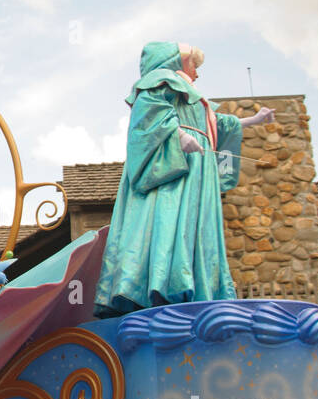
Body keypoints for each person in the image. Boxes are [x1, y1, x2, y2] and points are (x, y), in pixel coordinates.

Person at [94, 41, 274, 316]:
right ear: (179, 60)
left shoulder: (194, 96)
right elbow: (148, 115)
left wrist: (255, 119)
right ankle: (162, 284)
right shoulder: (161, 81)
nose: (198, 74)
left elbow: (220, 124)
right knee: (167, 219)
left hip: (199, 168)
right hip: (174, 164)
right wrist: (179, 136)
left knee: (193, 226)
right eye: (195, 65)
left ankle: (194, 288)